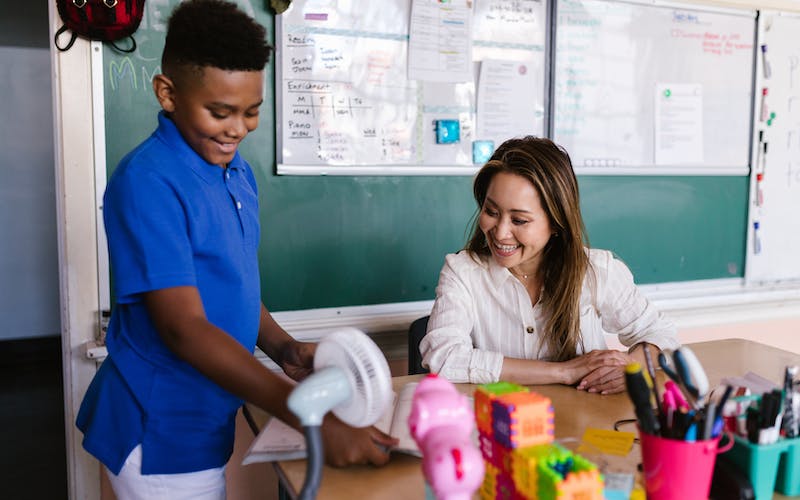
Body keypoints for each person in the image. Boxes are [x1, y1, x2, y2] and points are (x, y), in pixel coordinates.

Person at [76, 2, 395, 498]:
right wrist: (306, 414)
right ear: (168, 93)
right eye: (220, 112)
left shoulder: (236, 172)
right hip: (159, 432)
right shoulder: (147, 182)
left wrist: (283, 348)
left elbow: (234, 286)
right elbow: (183, 327)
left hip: (204, 423)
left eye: (252, 111)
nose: (237, 129)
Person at [420, 136, 680, 394]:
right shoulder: (462, 271)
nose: (500, 233)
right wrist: (564, 372)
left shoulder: (597, 270)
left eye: (519, 220)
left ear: (556, 223)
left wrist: (632, 366)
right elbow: (443, 356)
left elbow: (661, 334)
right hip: (501, 418)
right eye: (491, 212)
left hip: (585, 417)